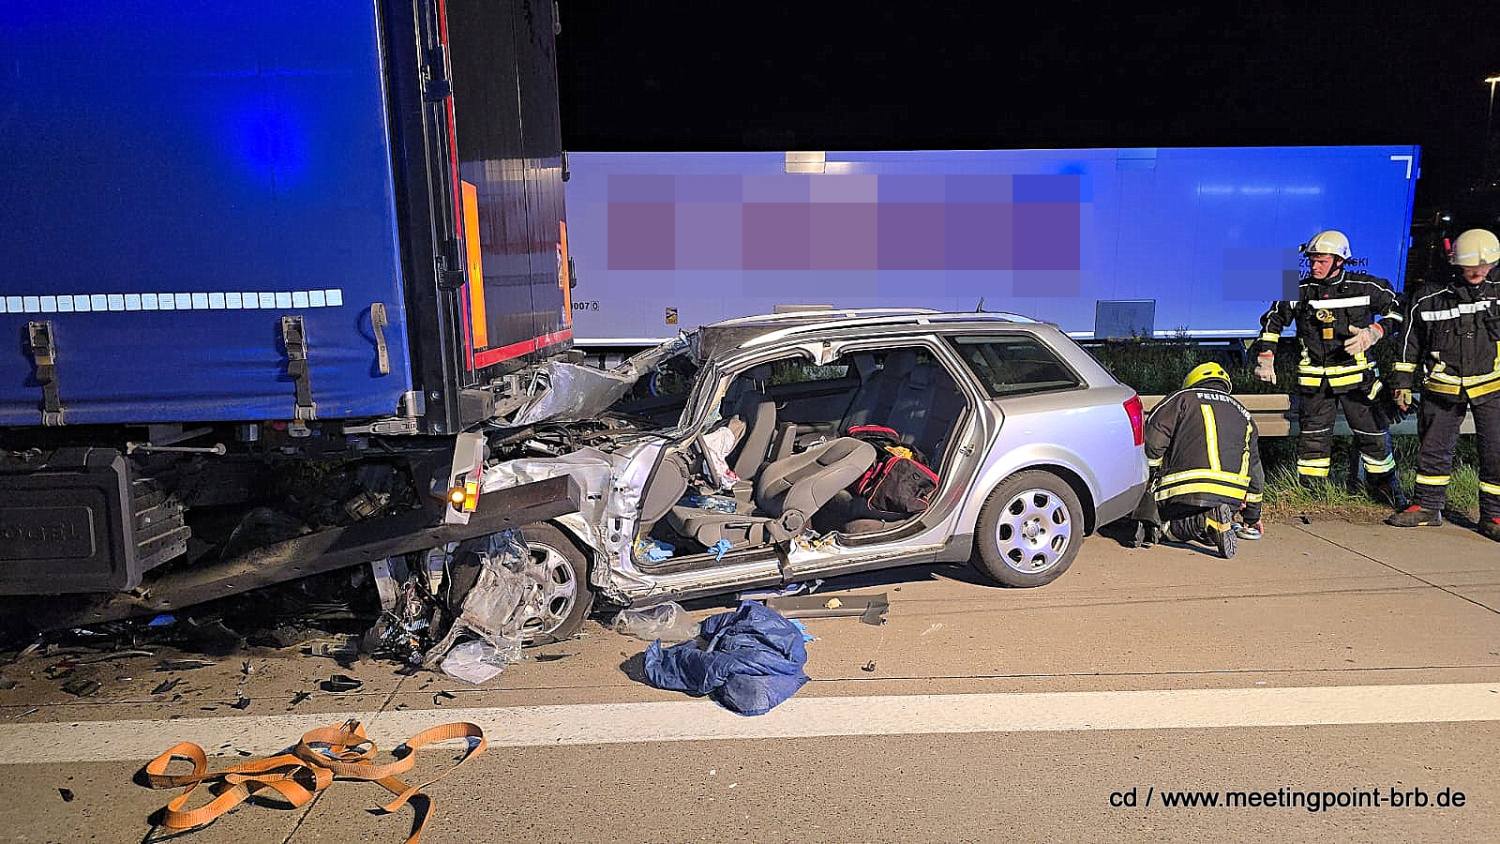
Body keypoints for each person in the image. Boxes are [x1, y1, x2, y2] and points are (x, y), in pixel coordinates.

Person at [1251, 230, 1406, 510]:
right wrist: (1266, 354)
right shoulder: (1297, 289)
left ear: (1339, 261)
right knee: (1312, 441)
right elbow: (1273, 321)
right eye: (1311, 261)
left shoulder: (1367, 287)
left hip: (1359, 380)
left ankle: (1384, 488)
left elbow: (1401, 310)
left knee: (1373, 436)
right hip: (1315, 382)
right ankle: (1310, 493)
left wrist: (1377, 330)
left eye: (1321, 261)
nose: (1314, 266)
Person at [1387, 228, 1500, 540]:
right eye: (1469, 265)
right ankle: (1427, 507)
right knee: (1433, 449)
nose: (1477, 271)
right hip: (1442, 386)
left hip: (1492, 386)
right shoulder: (1428, 298)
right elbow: (1409, 345)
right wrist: (1402, 383)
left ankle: (1494, 515)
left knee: (1496, 450)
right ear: (1454, 262)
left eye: (1484, 265)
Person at [1131, 362, 1265, 559]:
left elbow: (1153, 443)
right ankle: (1213, 524)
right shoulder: (1244, 414)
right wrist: (1252, 517)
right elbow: (1255, 472)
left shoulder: (1181, 399)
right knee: (1212, 531)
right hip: (1231, 495)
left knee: (1157, 529)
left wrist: (1149, 478)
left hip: (1183, 490)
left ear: (1192, 382)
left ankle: (1203, 522)